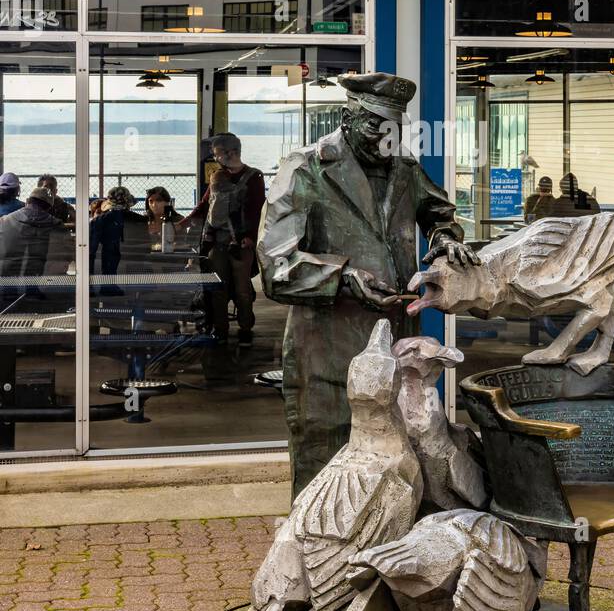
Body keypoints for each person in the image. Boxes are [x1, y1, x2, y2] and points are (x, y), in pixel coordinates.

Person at [258, 71, 478, 493]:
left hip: (397, 346)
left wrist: (446, 240)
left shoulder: (405, 167)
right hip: (326, 350)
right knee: (325, 469)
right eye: (374, 124)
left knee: (396, 463)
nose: (384, 137)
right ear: (346, 116)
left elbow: (440, 214)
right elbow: (275, 264)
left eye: (394, 128)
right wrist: (342, 277)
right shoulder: (305, 168)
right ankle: (317, 554)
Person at [177, 134, 265, 346]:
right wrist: (185, 222)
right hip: (216, 242)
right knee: (217, 288)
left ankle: (245, 327)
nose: (215, 158)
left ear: (230, 153)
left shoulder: (254, 177)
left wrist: (251, 238)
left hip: (241, 244)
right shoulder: (217, 176)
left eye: (216, 154)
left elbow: (259, 210)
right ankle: (220, 329)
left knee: (242, 289)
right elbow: (205, 204)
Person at [0, 186, 73, 277]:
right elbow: (68, 255)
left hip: (6, 281)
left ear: (27, 201)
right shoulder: (57, 226)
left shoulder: (4, 221)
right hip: (42, 283)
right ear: (49, 208)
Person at [89, 185, 145, 275]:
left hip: (107, 269)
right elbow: (147, 246)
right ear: (129, 205)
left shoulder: (98, 221)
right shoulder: (140, 220)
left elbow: (91, 251)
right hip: (137, 268)